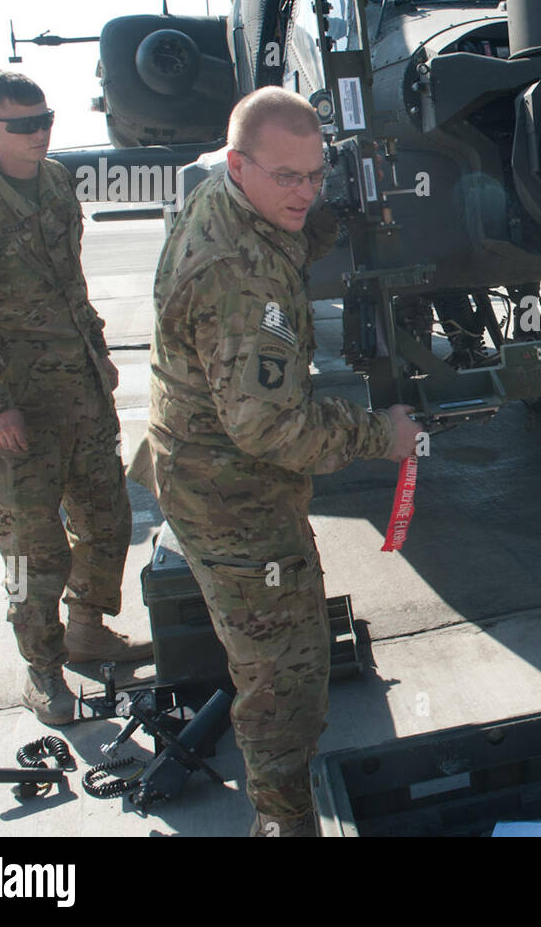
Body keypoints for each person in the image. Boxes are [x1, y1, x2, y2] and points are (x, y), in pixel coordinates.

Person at [145, 87, 420, 836]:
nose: (304, 193)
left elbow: (287, 226)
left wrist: (324, 212)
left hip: (212, 470)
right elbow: (272, 428)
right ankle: (282, 821)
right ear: (239, 164)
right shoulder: (238, 276)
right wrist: (380, 435)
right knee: (284, 681)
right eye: (286, 177)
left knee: (271, 663)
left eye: (315, 175)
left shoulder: (228, 200)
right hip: (234, 496)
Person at [0, 71, 145, 727]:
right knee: (33, 549)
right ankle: (42, 673)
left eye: (44, 120)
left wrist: (99, 349)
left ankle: (85, 630)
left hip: (79, 389)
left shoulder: (56, 183)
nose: (37, 134)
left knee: (109, 521)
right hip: (20, 403)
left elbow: (70, 281)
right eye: (20, 125)